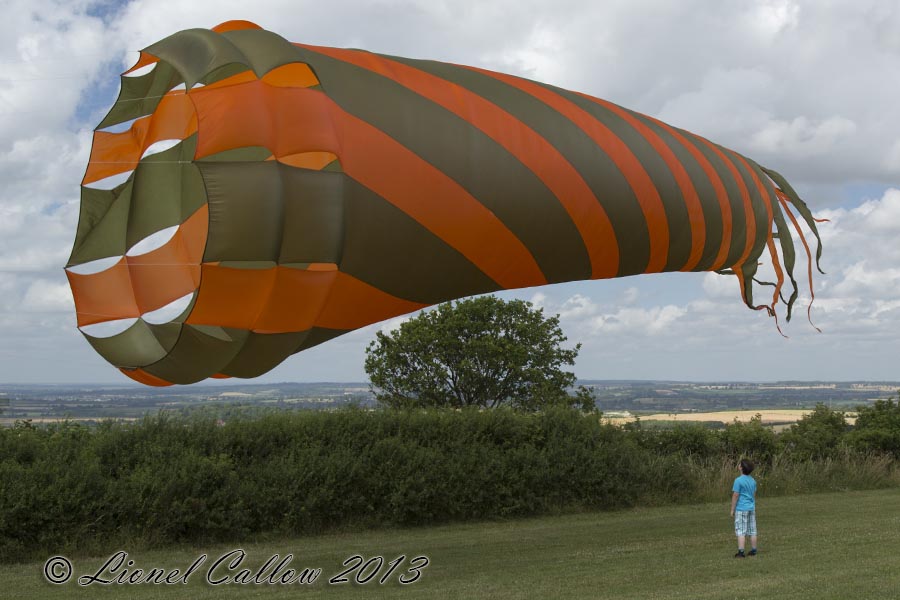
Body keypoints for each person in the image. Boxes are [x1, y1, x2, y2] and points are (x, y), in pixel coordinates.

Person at [730, 458, 758, 557]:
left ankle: (741, 552)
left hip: (741, 509)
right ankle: (754, 550)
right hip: (751, 508)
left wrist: (732, 509)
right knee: (752, 530)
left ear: (741, 468)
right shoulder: (753, 480)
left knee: (741, 530)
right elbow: (754, 495)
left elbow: (735, 495)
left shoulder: (738, 481)